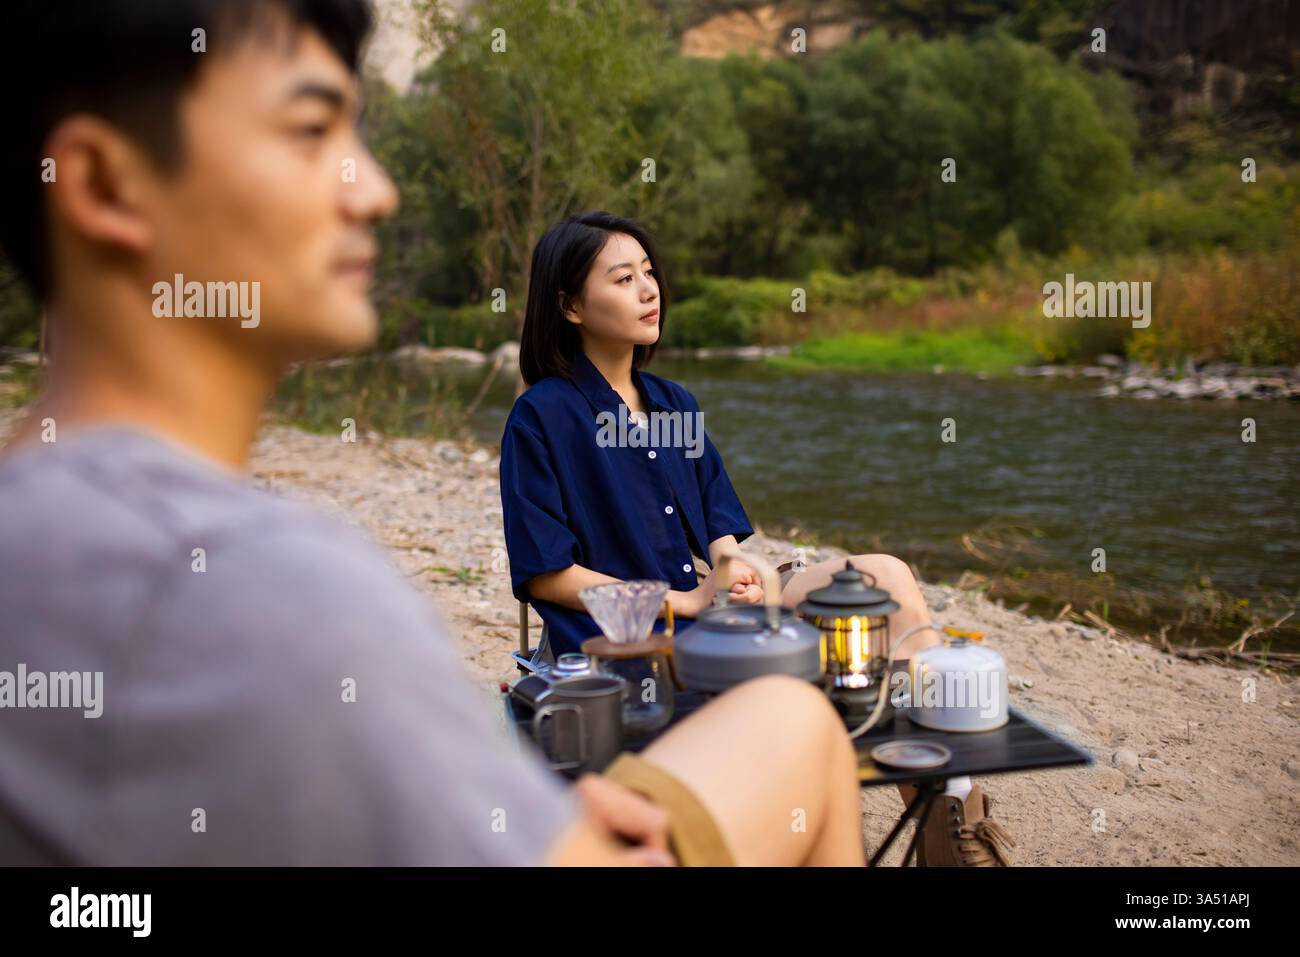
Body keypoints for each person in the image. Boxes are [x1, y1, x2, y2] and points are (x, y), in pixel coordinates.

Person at [0, 0, 868, 867]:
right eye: (310, 131)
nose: (376, 190)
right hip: (625, 668)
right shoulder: (270, 583)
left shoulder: (42, 524)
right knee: (794, 724)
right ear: (106, 185)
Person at [500, 211, 1018, 866]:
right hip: (636, 643)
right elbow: (546, 573)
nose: (649, 290)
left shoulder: (674, 404)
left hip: (718, 620)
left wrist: (733, 564)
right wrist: (681, 600)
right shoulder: (543, 415)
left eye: (650, 274)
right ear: (571, 304)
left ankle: (953, 810)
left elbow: (717, 524)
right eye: (624, 278)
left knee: (885, 575)